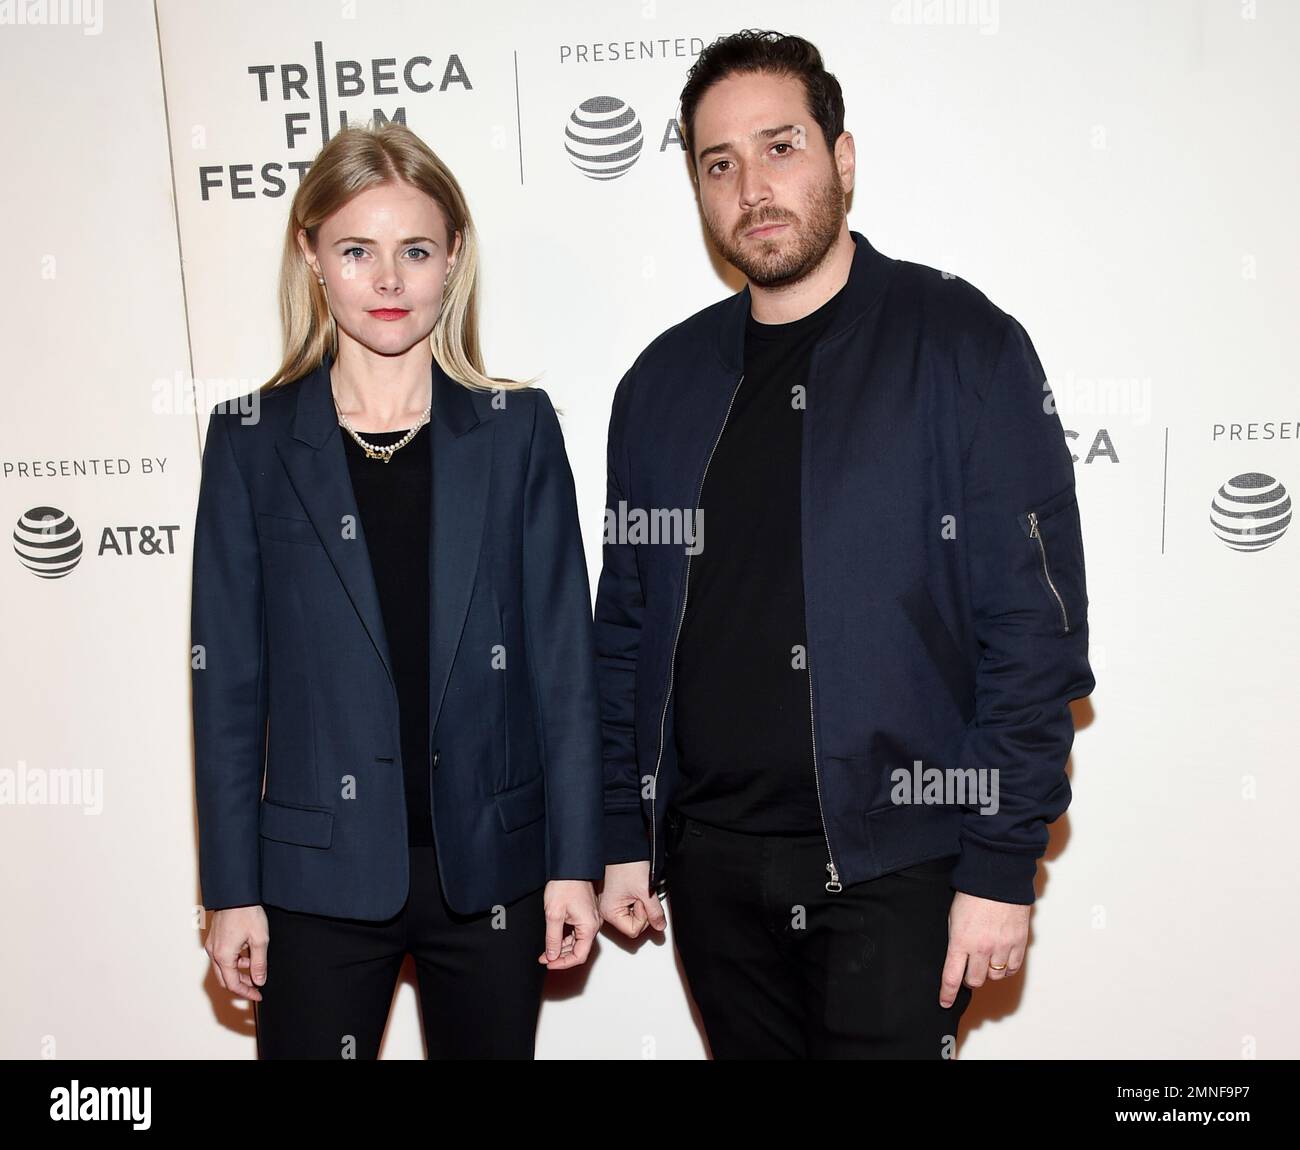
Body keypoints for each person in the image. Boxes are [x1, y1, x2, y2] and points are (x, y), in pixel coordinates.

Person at [595, 30, 1096, 1058]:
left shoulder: (963, 345)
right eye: (718, 163)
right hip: (714, 869)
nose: (752, 187)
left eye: (781, 147)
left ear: (844, 159)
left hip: (898, 867)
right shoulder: (659, 385)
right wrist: (619, 830)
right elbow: (624, 631)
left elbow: (1033, 637)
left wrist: (999, 867)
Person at [191, 121, 604, 1059]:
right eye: (356, 250)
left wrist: (572, 865)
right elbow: (227, 690)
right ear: (311, 255)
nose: (388, 280)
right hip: (314, 881)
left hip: (492, 871)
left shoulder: (516, 432)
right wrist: (230, 888)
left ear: (452, 259)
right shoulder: (251, 441)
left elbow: (563, 669)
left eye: (414, 250)